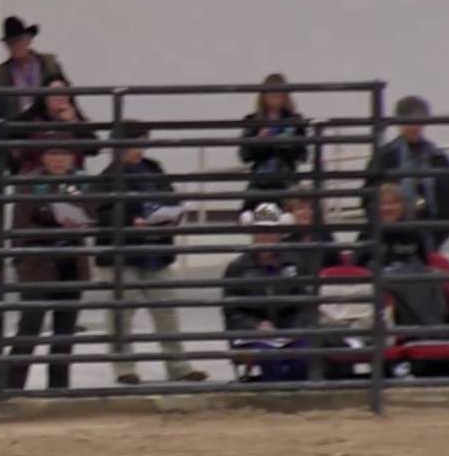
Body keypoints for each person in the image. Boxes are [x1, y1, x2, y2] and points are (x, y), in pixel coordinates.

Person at [93, 121, 207, 385]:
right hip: (123, 253)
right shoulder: (108, 177)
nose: (139, 149)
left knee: (166, 308)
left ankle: (178, 366)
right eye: (134, 143)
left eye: (142, 142)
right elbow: (102, 213)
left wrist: (171, 216)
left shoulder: (154, 169)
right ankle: (124, 367)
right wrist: (132, 220)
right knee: (122, 312)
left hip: (155, 249)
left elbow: (170, 197)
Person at [0, 131, 90, 393]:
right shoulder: (30, 184)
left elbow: (93, 215)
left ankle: (59, 390)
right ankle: (12, 389)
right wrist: (52, 222)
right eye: (53, 153)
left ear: (73, 157)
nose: (59, 160)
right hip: (38, 265)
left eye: (64, 153)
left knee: (65, 333)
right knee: (29, 328)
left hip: (71, 263)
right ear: (43, 157)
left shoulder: (82, 184)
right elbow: (19, 227)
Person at [222, 205, 318, 382]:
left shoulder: (296, 263)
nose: (265, 236)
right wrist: (255, 326)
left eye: (270, 231)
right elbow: (231, 311)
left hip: (289, 330)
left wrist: (294, 329)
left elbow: (305, 304)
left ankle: (295, 395)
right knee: (269, 357)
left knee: (304, 355)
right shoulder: (237, 268)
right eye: (260, 231)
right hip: (253, 335)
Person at [362, 95, 449, 251]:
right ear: (399, 123)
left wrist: (439, 234)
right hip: (391, 238)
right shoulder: (384, 158)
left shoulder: (439, 158)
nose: (413, 127)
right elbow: (368, 200)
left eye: (418, 121)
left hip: (432, 236)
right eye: (408, 121)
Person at [0, 16, 68, 134]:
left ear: (28, 40)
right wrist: (7, 131)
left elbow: (68, 97)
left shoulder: (49, 66)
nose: (16, 46)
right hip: (17, 133)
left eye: (19, 40)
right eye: (11, 43)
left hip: (50, 128)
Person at [238, 73, 309, 211]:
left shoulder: (295, 120)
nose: (275, 101)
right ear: (263, 97)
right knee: (255, 212)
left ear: (285, 97)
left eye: (279, 96)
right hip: (260, 179)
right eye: (271, 96)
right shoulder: (253, 120)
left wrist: (288, 143)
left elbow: (303, 154)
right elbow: (244, 155)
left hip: (287, 178)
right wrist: (259, 141)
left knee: (291, 206)